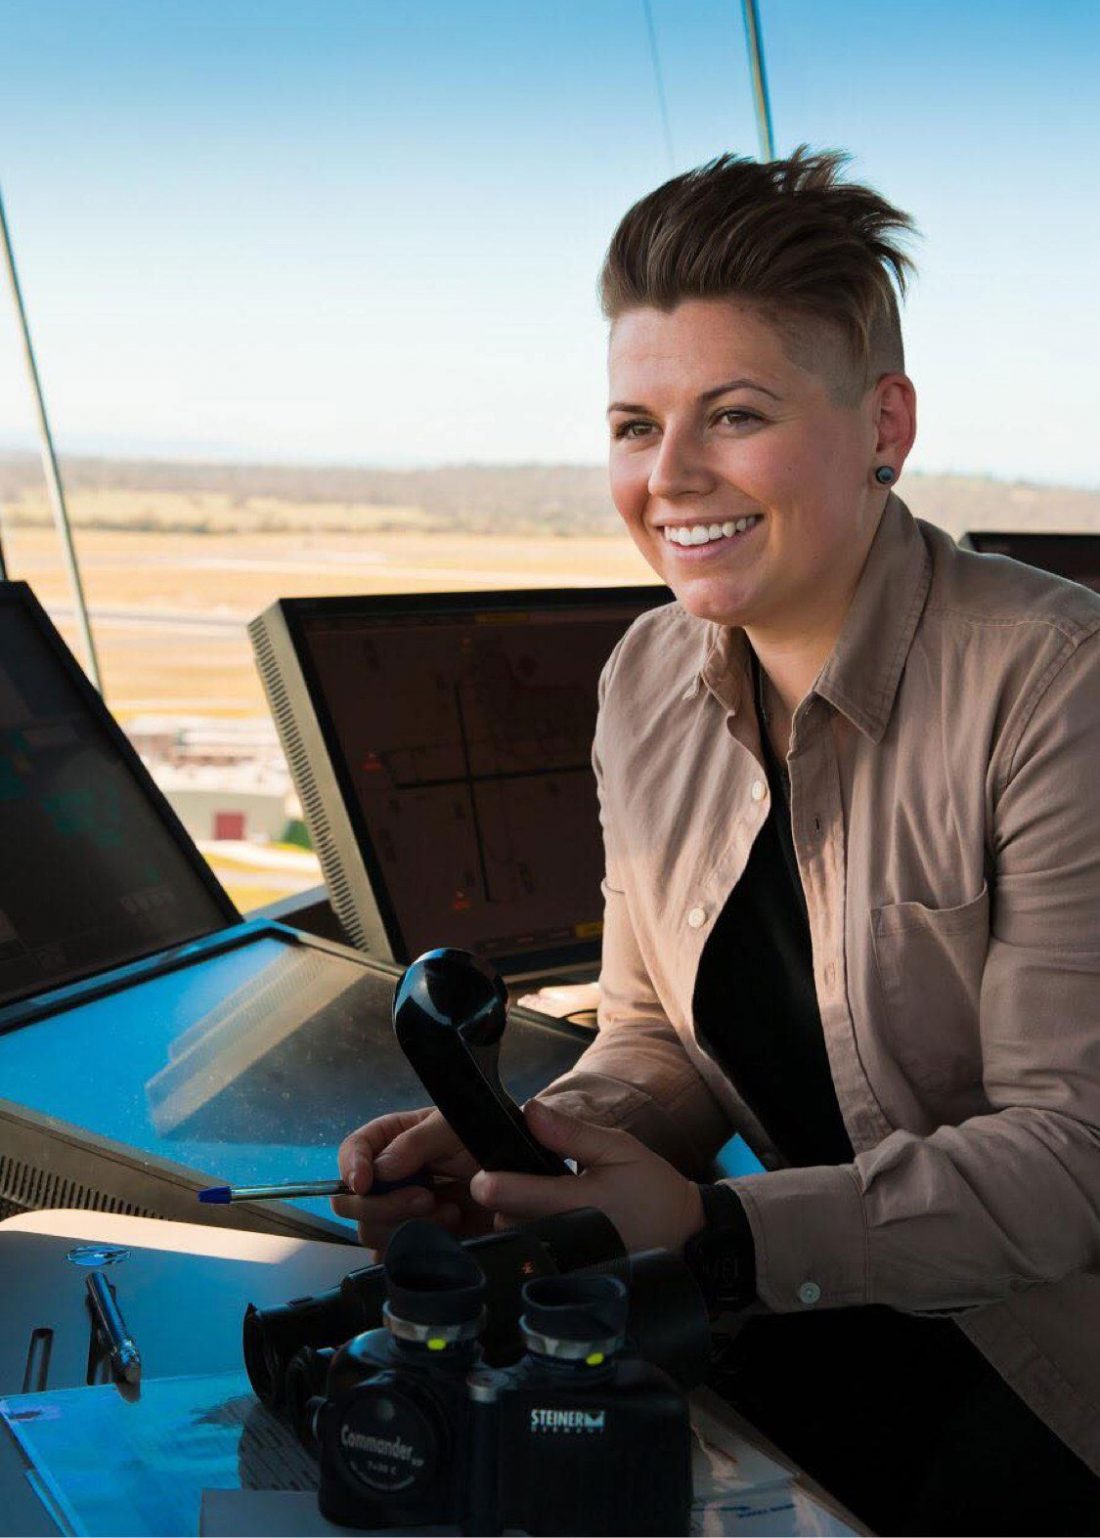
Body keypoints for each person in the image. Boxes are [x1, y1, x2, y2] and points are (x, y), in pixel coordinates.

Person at [332, 150, 1100, 1533]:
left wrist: (715, 1230)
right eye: (634, 423)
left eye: (733, 415)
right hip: (805, 1302)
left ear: (886, 422)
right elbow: (659, 1037)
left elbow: (1073, 1162)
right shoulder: (647, 678)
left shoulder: (1058, 683)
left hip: (1049, 1367)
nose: (669, 476)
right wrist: (534, 1144)